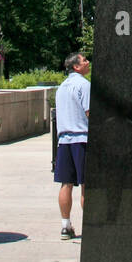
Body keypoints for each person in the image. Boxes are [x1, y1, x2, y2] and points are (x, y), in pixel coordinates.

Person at [54, 52, 90, 239]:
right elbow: (90, 112)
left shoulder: (61, 88)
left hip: (64, 141)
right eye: (84, 60)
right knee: (86, 185)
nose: (87, 62)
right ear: (76, 66)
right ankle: (91, 226)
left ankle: (65, 226)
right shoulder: (84, 85)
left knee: (66, 184)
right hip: (82, 140)